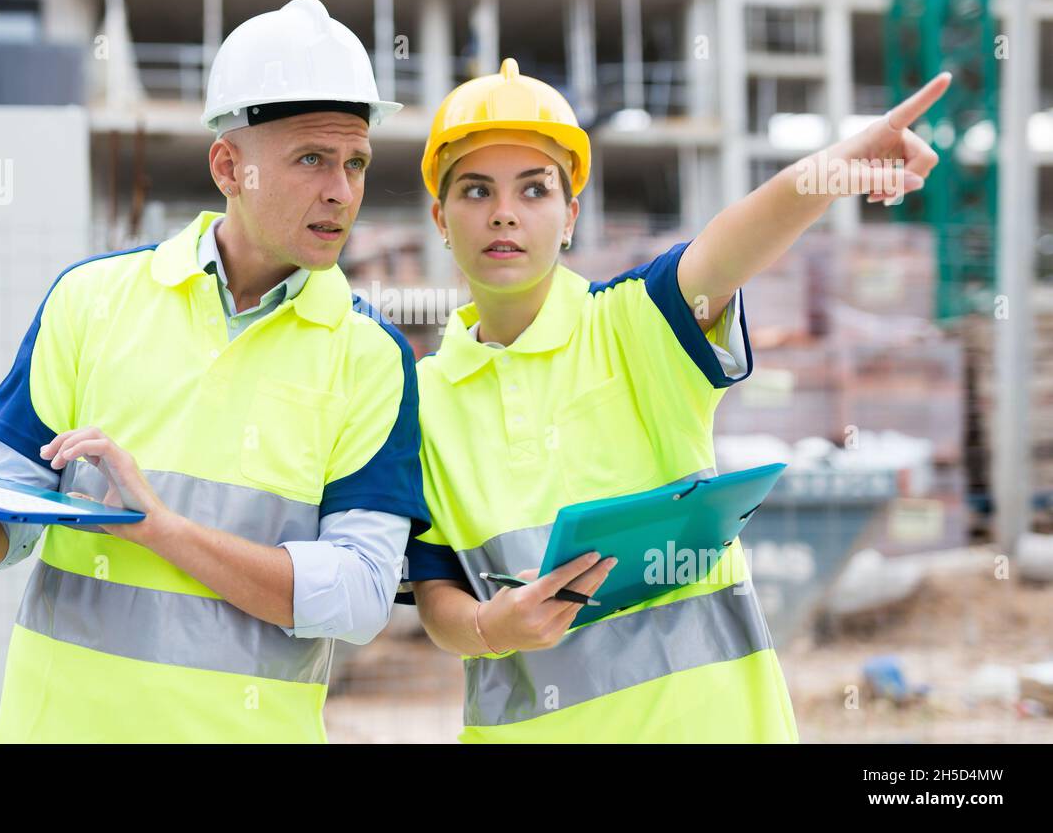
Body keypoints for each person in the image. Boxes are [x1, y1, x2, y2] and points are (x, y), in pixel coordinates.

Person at [0, 0, 428, 742]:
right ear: (227, 166)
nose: (342, 190)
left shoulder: (374, 357)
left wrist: (163, 531)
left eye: (357, 163)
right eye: (312, 159)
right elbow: (12, 523)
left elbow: (363, 595)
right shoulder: (89, 301)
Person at [401, 57, 950, 742]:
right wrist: (489, 627)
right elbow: (436, 591)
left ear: (570, 215)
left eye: (534, 190)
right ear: (441, 219)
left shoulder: (637, 326)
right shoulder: (417, 401)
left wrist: (828, 173)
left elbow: (732, 244)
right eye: (476, 191)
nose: (505, 213)